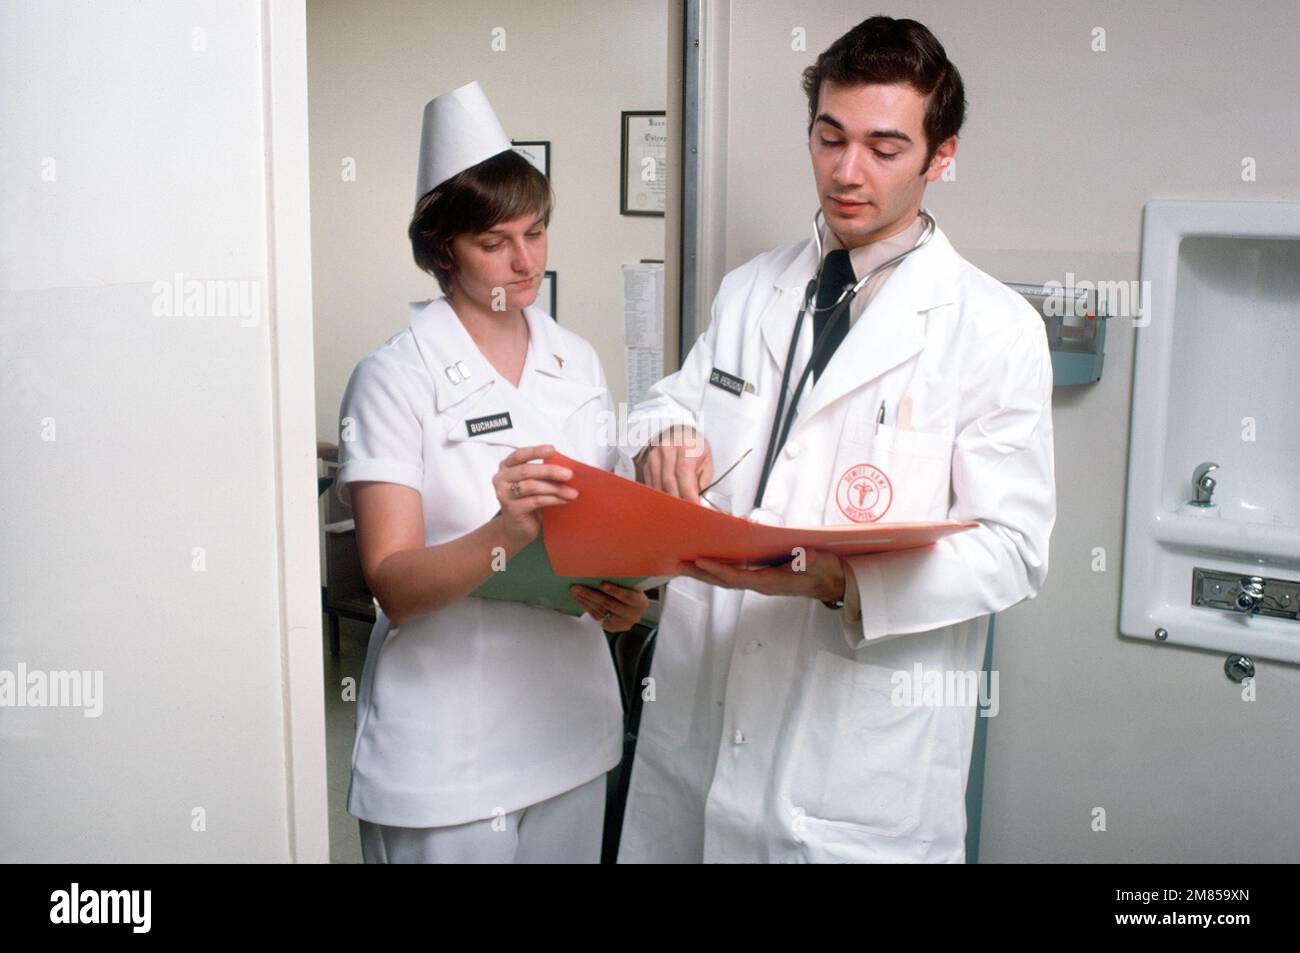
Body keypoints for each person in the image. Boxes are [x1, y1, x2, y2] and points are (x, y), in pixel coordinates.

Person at [616, 17, 1056, 863]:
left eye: (886, 148)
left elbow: (1014, 549)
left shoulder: (994, 330)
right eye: (830, 138)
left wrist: (840, 582)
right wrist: (663, 430)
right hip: (699, 736)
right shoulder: (751, 290)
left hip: (851, 772)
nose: (847, 172)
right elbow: (670, 399)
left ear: (942, 155)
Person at [335, 81, 646, 863]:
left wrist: (624, 598)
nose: (525, 260)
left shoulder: (578, 362)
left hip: (570, 730)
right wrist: (503, 534)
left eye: (537, 233)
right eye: (495, 242)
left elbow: (602, 535)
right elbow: (394, 585)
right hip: (446, 754)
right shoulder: (394, 377)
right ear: (445, 249)